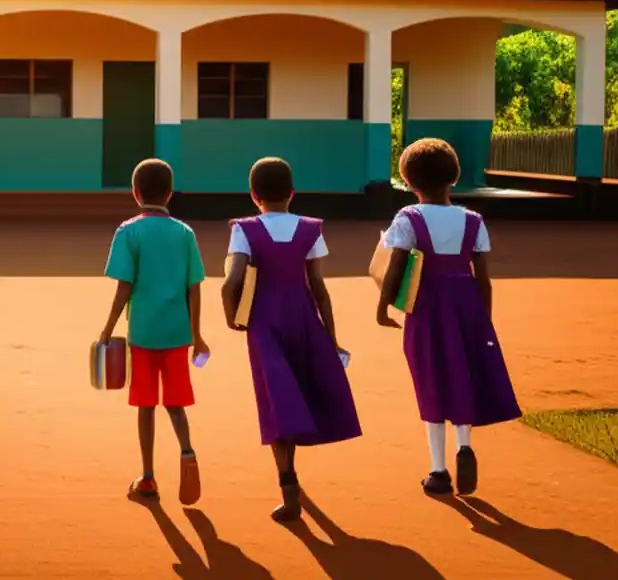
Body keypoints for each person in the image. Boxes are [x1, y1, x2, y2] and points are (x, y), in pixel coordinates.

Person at [377, 138, 521, 496]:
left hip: (426, 305)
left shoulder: (409, 217)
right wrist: (482, 320)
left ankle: (438, 470)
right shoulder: (473, 220)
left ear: (408, 182)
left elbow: (395, 265)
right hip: (466, 304)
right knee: (462, 373)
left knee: (430, 379)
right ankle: (465, 444)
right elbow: (483, 277)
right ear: (454, 177)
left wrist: (383, 307)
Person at [222, 157, 362, 522]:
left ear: (254, 196)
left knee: (275, 401)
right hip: (302, 319)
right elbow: (319, 287)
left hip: (264, 323)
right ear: (292, 192)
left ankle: (287, 487)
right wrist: (330, 337)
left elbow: (230, 283)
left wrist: (233, 319)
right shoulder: (310, 229)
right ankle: (292, 481)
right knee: (298, 394)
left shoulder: (245, 230)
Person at [100, 158, 208, 505]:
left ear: (135, 193)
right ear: (170, 193)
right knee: (175, 404)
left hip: (143, 334)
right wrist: (198, 334)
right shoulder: (184, 233)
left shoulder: (128, 232)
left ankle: (147, 477)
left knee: (145, 406)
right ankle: (188, 452)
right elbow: (195, 287)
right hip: (177, 334)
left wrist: (107, 329)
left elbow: (124, 286)